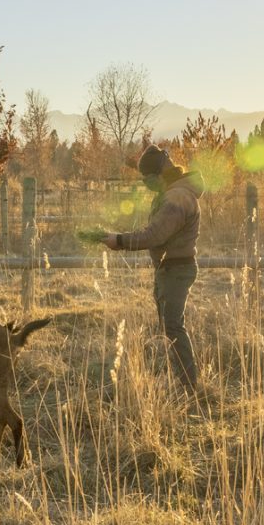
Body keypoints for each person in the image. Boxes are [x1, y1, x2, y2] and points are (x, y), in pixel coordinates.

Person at [84, 145, 204, 392]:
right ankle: (183, 381)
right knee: (169, 325)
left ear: (160, 173)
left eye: (148, 178)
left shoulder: (177, 197)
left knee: (172, 325)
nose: (147, 184)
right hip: (168, 269)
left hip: (176, 270)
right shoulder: (172, 192)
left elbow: (155, 234)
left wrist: (120, 241)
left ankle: (188, 385)